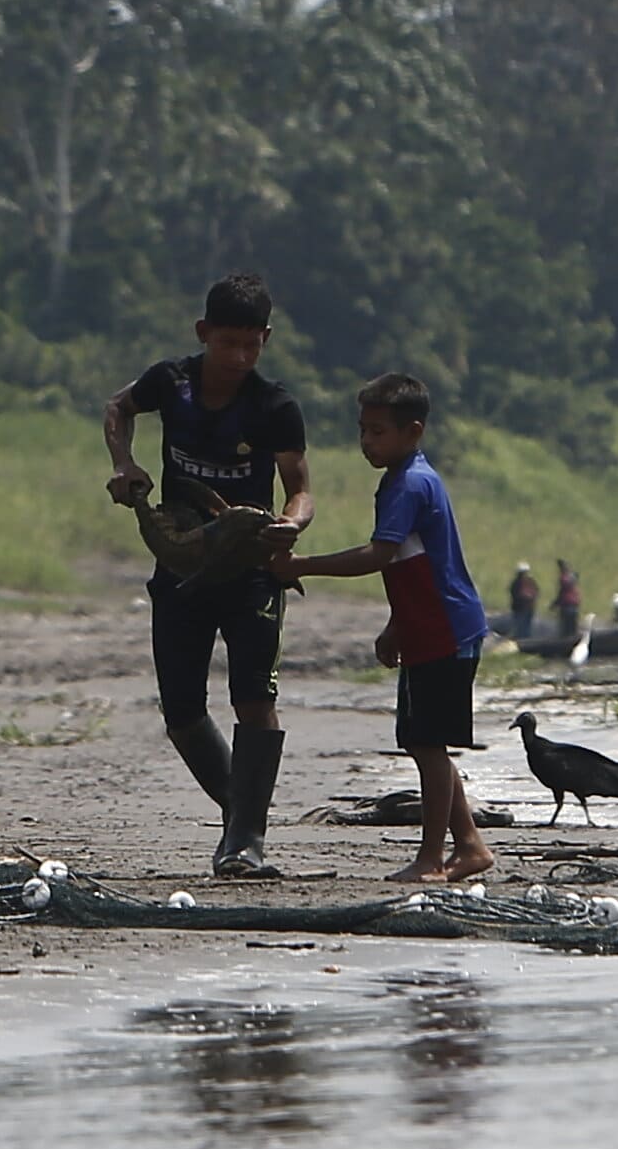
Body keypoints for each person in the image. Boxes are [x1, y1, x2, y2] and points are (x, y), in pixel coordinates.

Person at [103, 273, 312, 877]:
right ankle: (242, 816)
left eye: (252, 346)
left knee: (253, 700)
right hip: (183, 568)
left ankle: (245, 842)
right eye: (228, 345)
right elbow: (118, 407)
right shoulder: (170, 383)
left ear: (266, 340)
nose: (240, 358)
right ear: (204, 334)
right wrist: (124, 464)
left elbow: (301, 492)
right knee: (183, 713)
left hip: (251, 574)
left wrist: (291, 525)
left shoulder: (274, 407)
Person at [279, 370, 495, 883]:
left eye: (378, 431)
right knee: (427, 743)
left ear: (413, 431)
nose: (366, 442)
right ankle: (469, 847)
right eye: (363, 430)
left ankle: (430, 861)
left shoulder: (411, 483)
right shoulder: (402, 480)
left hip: (445, 628)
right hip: (426, 626)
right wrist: (397, 624)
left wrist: (301, 564)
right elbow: (413, 563)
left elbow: (379, 555)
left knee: (428, 745)